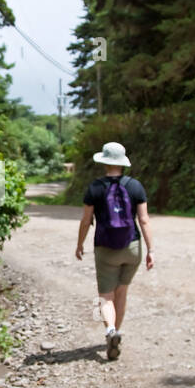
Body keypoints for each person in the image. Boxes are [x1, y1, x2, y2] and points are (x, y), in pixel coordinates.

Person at [75, 142, 153, 360]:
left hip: (105, 247)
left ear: (105, 162)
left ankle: (110, 330)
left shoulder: (95, 188)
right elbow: (144, 220)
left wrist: (80, 244)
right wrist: (151, 250)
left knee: (105, 296)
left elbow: (86, 220)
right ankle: (116, 333)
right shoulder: (136, 186)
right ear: (122, 163)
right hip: (132, 246)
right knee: (122, 292)